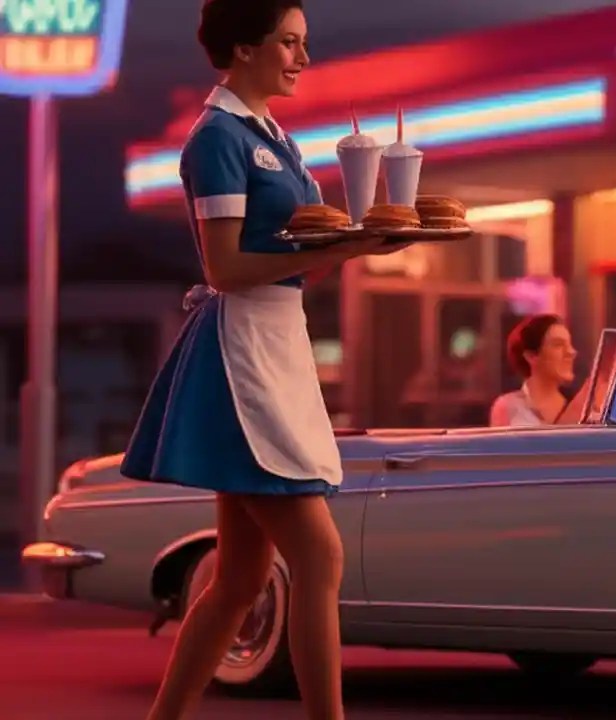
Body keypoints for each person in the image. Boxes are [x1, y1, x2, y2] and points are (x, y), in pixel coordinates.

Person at [118, 2, 407, 718]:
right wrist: (349, 248)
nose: (301, 57)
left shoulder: (271, 135)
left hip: (276, 344)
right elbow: (224, 268)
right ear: (243, 49)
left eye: (303, 43)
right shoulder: (217, 138)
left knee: (242, 578)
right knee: (318, 557)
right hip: (240, 354)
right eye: (288, 42)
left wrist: (357, 246)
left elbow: (290, 268)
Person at [489, 314, 578, 426]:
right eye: (558, 345)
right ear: (531, 356)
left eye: (569, 345)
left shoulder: (581, 408)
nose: (571, 352)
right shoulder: (508, 407)